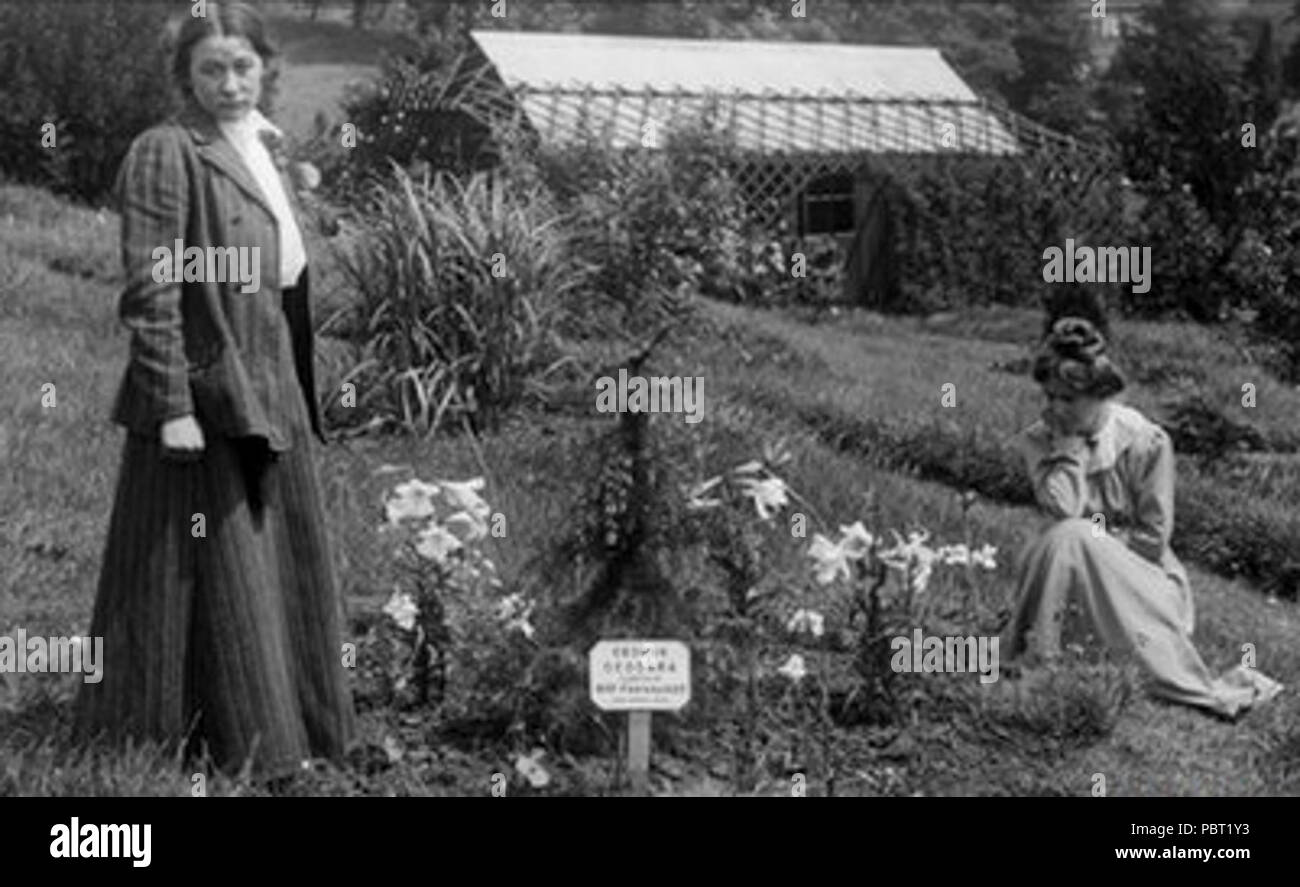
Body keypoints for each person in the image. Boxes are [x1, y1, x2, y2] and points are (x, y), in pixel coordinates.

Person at [75, 1, 356, 779]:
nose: (230, 82)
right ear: (185, 76)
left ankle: (290, 725)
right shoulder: (168, 151)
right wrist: (171, 405)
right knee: (200, 574)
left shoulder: (260, 143)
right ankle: (196, 739)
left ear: (266, 67)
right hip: (209, 392)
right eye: (211, 69)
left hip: (271, 382)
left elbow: (282, 264)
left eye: (243, 66)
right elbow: (152, 287)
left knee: (277, 566)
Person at [1000, 316, 1282, 719]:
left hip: (1144, 584)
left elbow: (1152, 539)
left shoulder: (1145, 441)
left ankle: (1046, 654)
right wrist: (1069, 448)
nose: (1055, 409)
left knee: (1073, 537)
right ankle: (1046, 649)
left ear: (1101, 396)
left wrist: (1093, 544)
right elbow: (1062, 508)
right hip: (1068, 573)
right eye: (1049, 396)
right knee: (1065, 537)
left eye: (1068, 399)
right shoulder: (1040, 439)